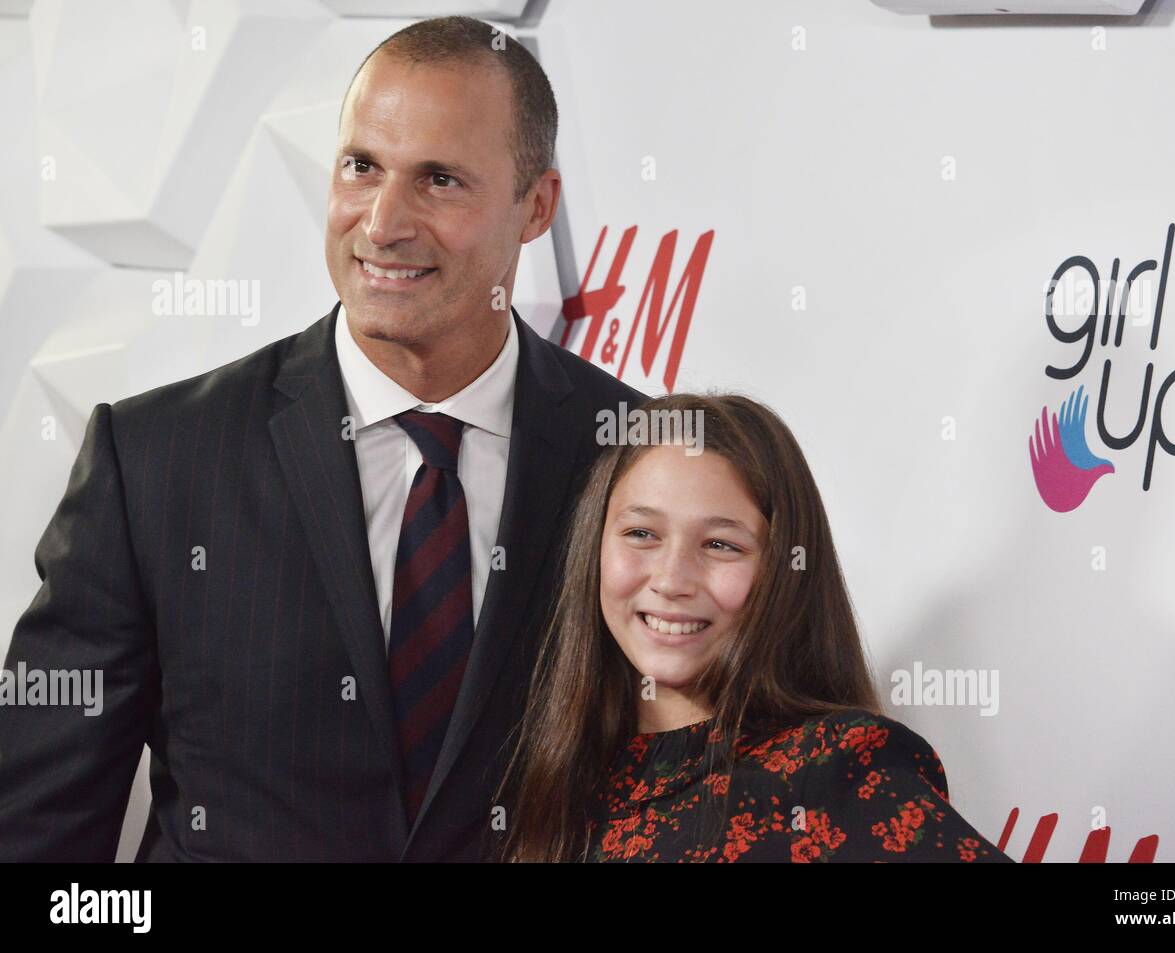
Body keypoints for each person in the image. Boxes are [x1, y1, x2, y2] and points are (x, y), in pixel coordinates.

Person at [0, 16, 645, 861]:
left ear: (537, 208)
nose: (382, 222)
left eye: (440, 180)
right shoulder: (155, 460)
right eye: (361, 167)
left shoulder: (635, 457)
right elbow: (37, 835)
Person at [495, 393, 1012, 862]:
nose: (672, 579)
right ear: (595, 547)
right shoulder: (560, 779)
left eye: (721, 544)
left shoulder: (836, 771)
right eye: (641, 533)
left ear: (783, 569)